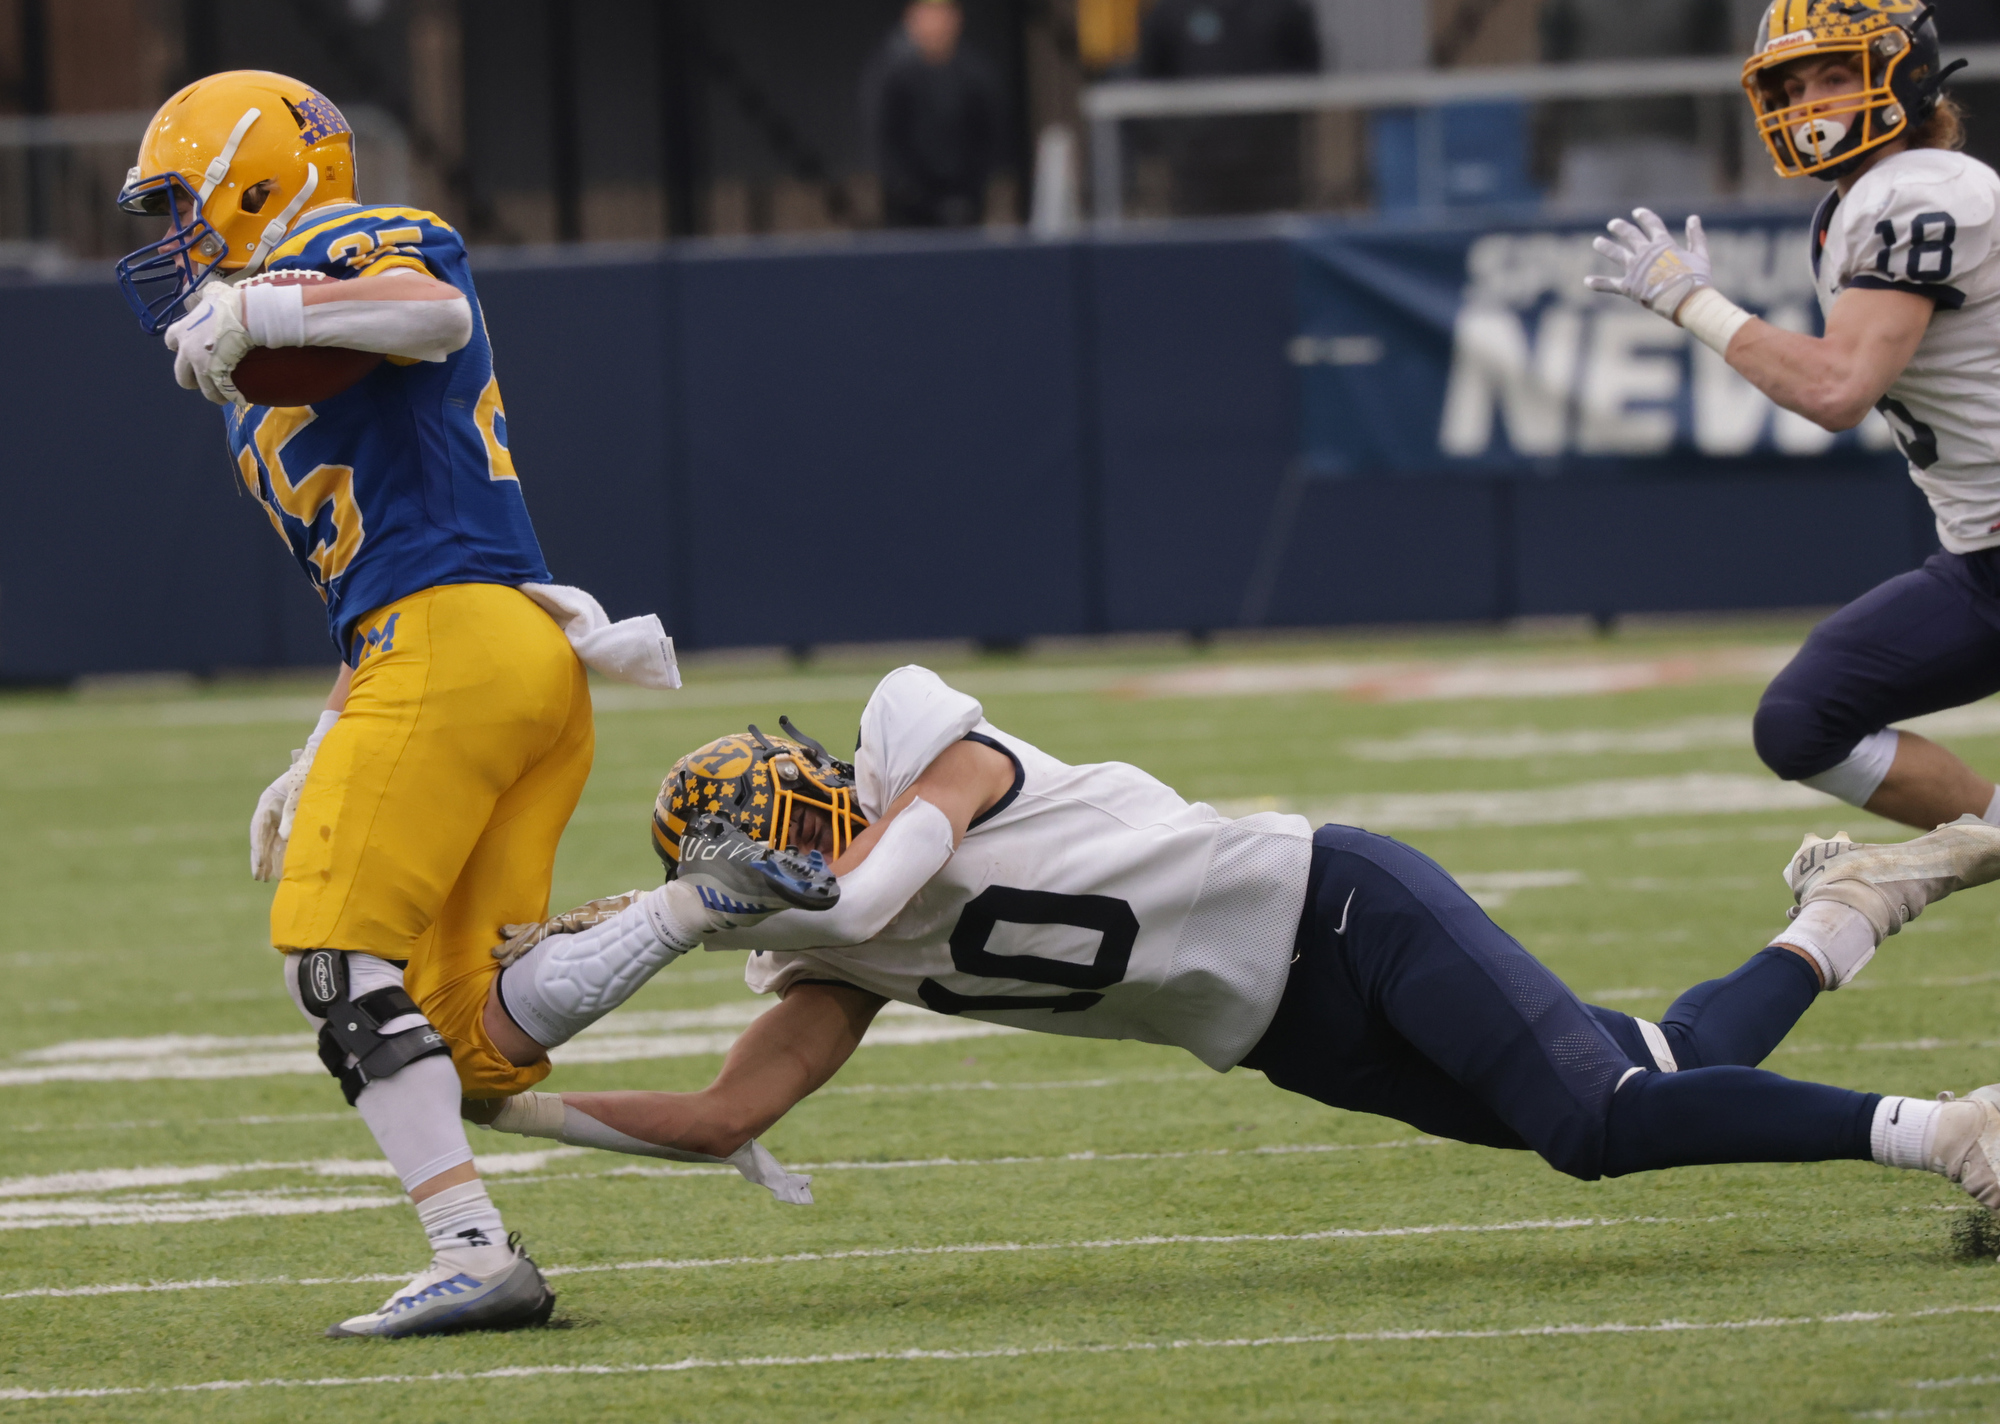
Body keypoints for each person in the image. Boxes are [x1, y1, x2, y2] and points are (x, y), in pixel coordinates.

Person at [470, 665, 2000, 1230]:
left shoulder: (916, 733)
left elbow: (868, 897)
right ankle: (1846, 909)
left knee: (1597, 1124)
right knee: (1652, 1073)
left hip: (1339, 904)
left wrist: (693, 916)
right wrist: (511, 1103)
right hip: (1285, 1037)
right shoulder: (825, 953)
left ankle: (1956, 1133)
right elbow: (734, 1116)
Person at [113, 69, 699, 1339]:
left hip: (456, 642)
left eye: (180, 202)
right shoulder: (275, 341)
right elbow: (372, 557)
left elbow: (430, 311)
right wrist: (322, 731)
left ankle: (472, 1251)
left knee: (330, 952)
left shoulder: (334, 248)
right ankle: (701, 902)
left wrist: (266, 295)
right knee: (467, 1040)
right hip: (484, 655)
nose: (170, 238)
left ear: (254, 173)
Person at [1586, 1, 2000, 834]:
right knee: (1803, 721)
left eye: (1836, 76)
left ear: (1903, 71)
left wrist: (1690, 302)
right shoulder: (1864, 200)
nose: (1811, 102)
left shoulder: (1920, 188)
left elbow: (1837, 387)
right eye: (1794, 83)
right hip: (1982, 556)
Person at [1136, 0, 1321, 216]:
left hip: (1273, 170)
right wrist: (1177, 140)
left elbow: (1309, 71)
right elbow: (1149, 80)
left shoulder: (1284, 8)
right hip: (1197, 172)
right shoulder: (1171, 11)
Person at [862, 0, 1006, 228]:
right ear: (910, 19)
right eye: (927, 13)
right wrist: (907, 192)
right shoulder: (893, 77)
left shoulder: (976, 77)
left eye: (942, 14)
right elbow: (885, 140)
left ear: (956, 19)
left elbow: (987, 141)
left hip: (964, 208)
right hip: (907, 213)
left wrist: (968, 194)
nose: (935, 23)